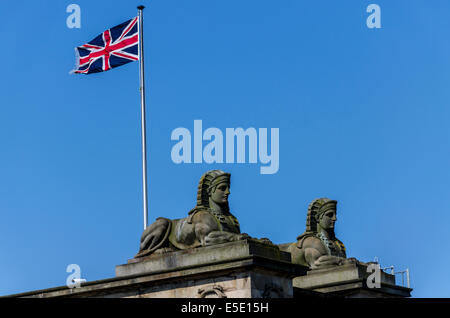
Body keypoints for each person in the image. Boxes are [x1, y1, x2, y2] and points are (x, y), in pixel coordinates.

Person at [135, 170, 258, 258]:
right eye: (222, 188)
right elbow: (207, 239)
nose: (228, 192)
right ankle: (151, 250)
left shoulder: (231, 220)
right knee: (162, 224)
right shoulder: (202, 216)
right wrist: (235, 237)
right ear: (210, 191)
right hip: (168, 235)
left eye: (228, 188)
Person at [282, 198, 355, 269]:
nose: (334, 218)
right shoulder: (311, 241)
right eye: (330, 215)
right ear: (318, 218)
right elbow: (317, 263)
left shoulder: (338, 244)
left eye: (335, 214)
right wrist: (341, 261)